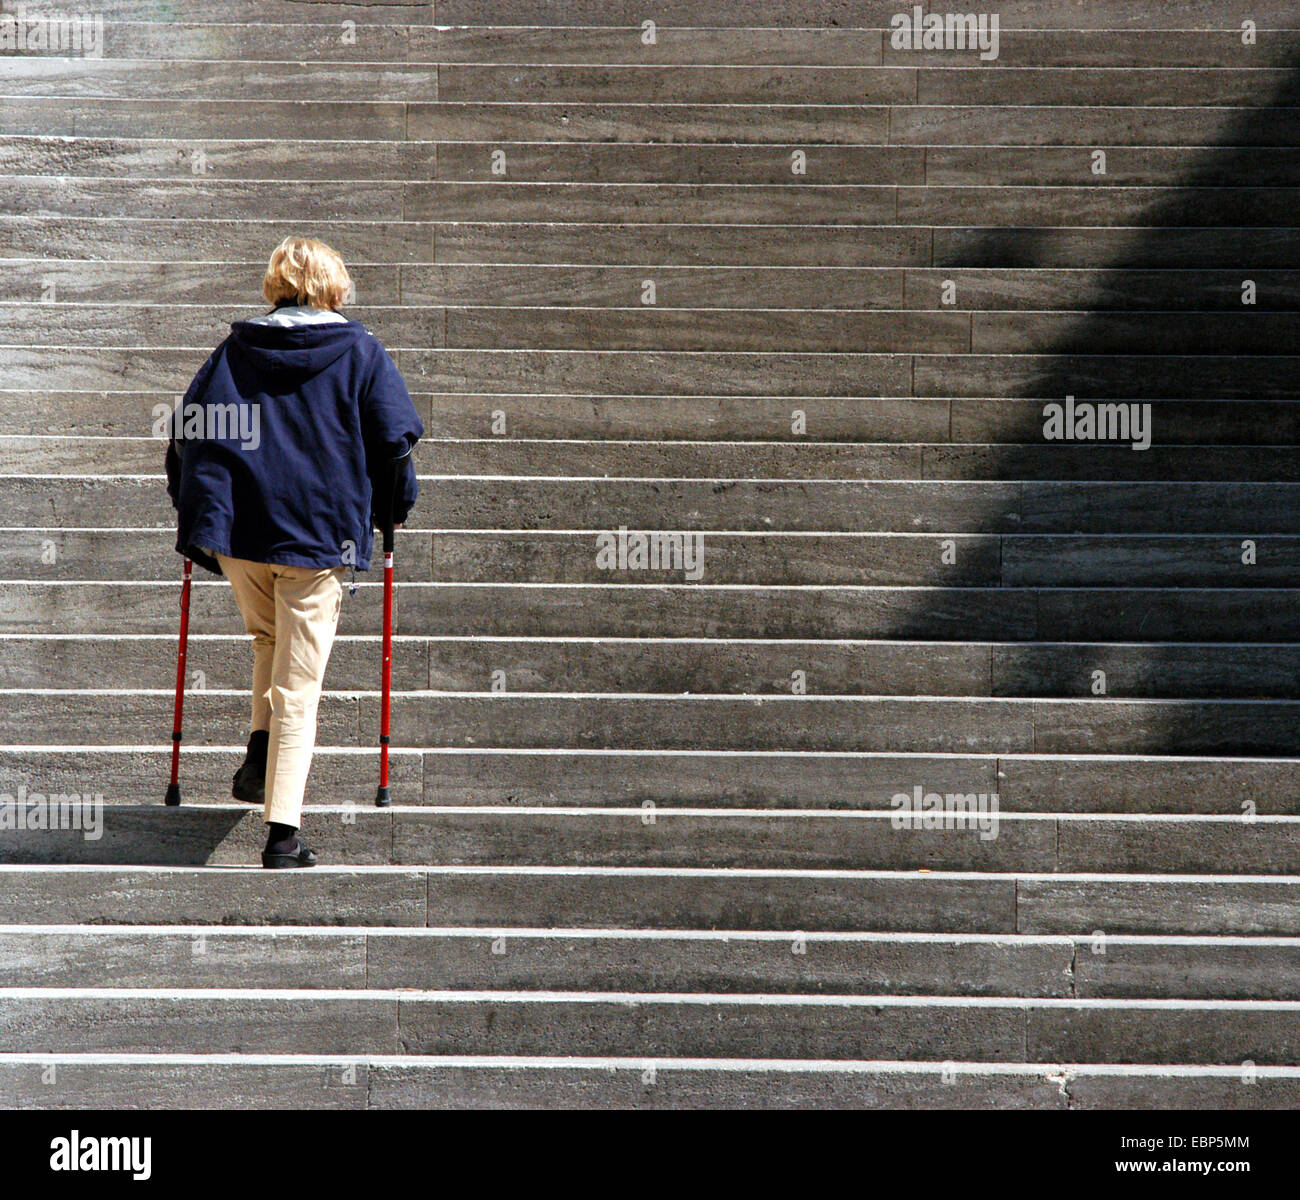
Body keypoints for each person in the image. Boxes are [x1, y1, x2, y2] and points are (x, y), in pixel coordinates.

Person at [165, 236, 424, 867]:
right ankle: (282, 835)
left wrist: (195, 510)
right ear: (334, 286)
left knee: (268, 643)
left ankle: (260, 748)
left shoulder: (234, 351)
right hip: (317, 534)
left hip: (242, 536)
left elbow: (186, 436)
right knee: (300, 688)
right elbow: (394, 443)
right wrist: (394, 512)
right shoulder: (360, 352)